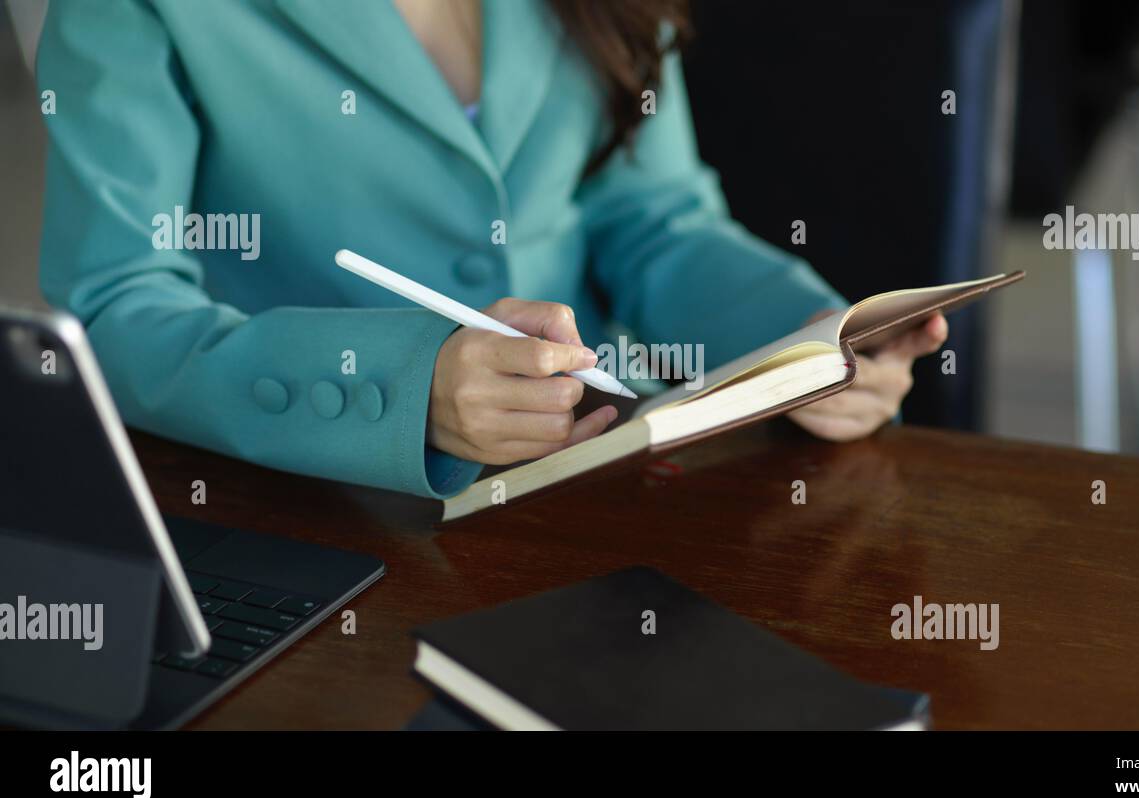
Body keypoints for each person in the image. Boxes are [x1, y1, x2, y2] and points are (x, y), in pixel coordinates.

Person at [37, 0, 946, 499]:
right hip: (324, 515)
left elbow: (654, 220)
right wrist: (404, 393)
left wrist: (806, 345)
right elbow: (114, 309)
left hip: (605, 483)